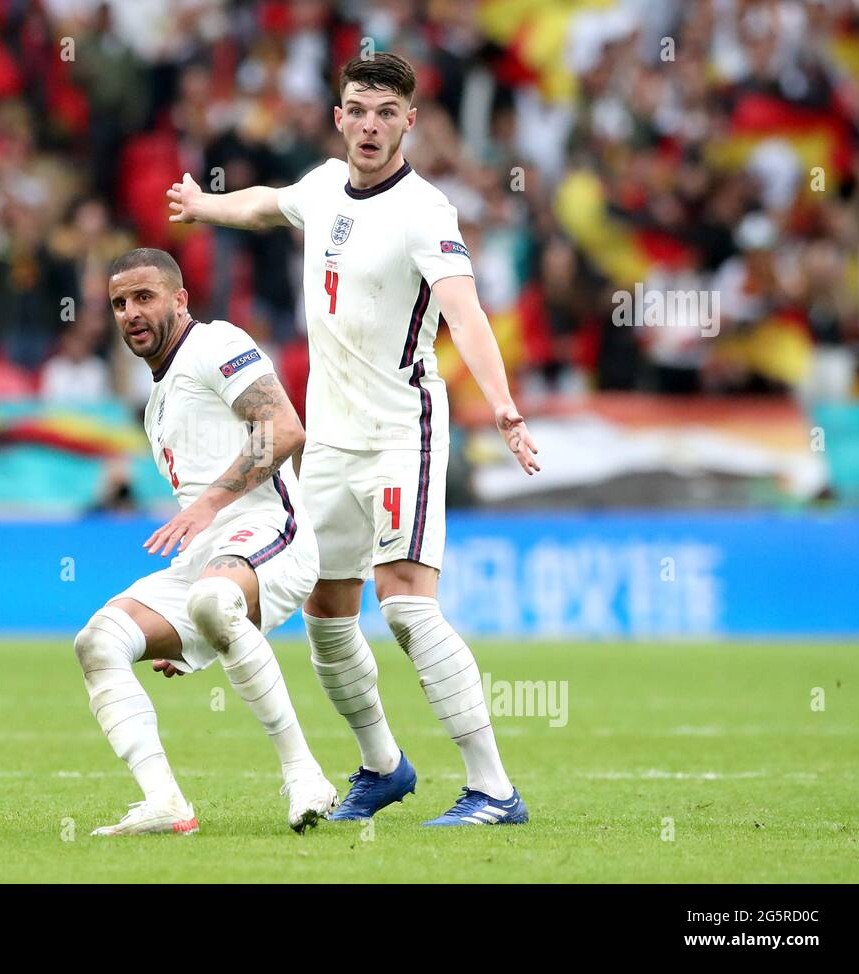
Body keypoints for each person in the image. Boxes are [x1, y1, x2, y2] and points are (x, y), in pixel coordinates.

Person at [166, 53, 539, 827]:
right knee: (328, 614)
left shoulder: (427, 211)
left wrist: (502, 404)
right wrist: (204, 205)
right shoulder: (323, 187)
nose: (369, 125)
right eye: (357, 110)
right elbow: (270, 204)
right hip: (328, 443)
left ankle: (494, 789)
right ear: (339, 118)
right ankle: (383, 767)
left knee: (405, 608)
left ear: (409, 122)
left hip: (404, 431)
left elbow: (465, 314)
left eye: (385, 112)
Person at [73, 247, 336, 836]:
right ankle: (165, 803)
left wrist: (211, 503)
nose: (130, 313)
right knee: (98, 642)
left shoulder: (214, 344)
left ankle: (304, 776)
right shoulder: (155, 405)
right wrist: (193, 633)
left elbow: (285, 428)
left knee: (213, 602)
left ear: (179, 298)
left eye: (144, 297)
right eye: (119, 303)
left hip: (273, 533)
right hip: (205, 562)